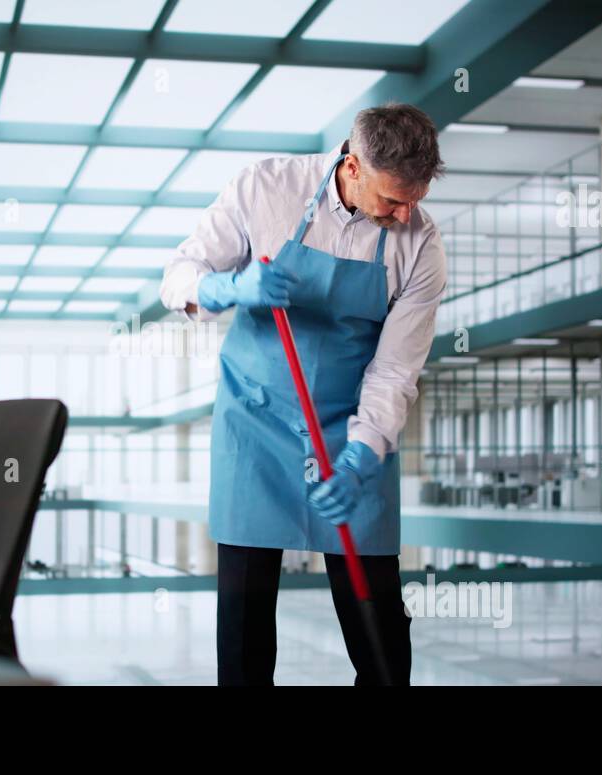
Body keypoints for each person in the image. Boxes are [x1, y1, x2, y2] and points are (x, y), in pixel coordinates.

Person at [159, 103, 447, 686]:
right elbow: (178, 278)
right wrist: (230, 286)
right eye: (393, 199)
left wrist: (362, 456)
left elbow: (394, 371)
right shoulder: (264, 188)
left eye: (414, 198)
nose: (405, 212)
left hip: (350, 430)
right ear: (352, 164)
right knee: (244, 625)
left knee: (381, 634)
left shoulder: (422, 245)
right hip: (255, 426)